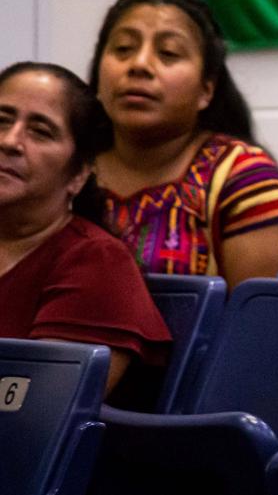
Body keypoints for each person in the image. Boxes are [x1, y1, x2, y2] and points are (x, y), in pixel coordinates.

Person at [88, 0, 278, 289]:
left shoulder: (243, 177)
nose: (138, 65)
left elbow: (260, 324)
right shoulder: (67, 167)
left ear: (206, 90)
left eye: (168, 53)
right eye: (123, 49)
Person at [0, 62, 170, 393]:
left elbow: (36, 412)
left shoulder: (96, 261)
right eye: (2, 120)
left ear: (78, 174)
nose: (10, 141)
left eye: (40, 131)